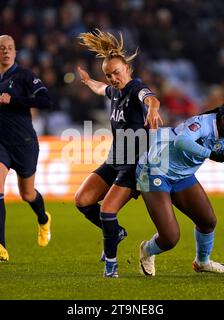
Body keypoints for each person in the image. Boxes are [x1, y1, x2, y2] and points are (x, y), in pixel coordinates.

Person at [136, 100, 224, 276]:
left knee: (208, 221)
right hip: (154, 170)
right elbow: (181, 141)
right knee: (170, 238)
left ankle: (202, 262)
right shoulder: (202, 123)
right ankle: (147, 251)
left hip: (182, 175)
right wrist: (211, 155)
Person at [74, 29, 163, 277]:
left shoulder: (135, 88)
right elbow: (101, 88)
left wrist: (153, 108)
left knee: (107, 211)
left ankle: (111, 266)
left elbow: (150, 97)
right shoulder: (114, 91)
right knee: (82, 200)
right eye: (109, 74)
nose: (113, 78)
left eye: (116, 72)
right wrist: (88, 81)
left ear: (128, 70)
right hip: (115, 159)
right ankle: (117, 233)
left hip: (135, 164)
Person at [0, 35, 53, 262]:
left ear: (15, 53)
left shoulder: (25, 76)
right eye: (1, 48)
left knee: (27, 194)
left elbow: (46, 100)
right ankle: (1, 245)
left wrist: (15, 101)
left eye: (10, 48)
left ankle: (43, 219)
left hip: (24, 143)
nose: (6, 51)